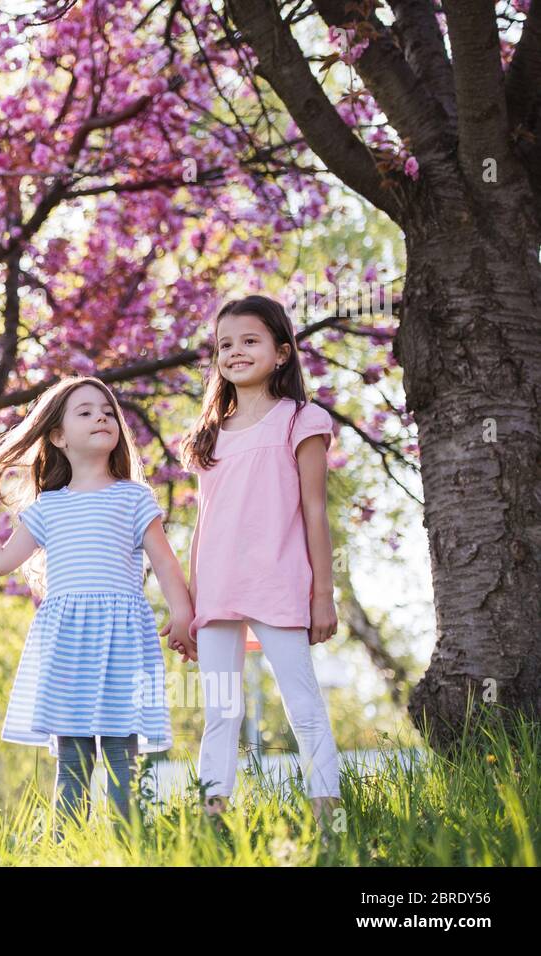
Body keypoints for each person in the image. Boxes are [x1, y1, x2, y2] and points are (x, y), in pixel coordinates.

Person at [0, 376, 195, 841]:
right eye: (85, 411)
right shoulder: (49, 507)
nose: (101, 416)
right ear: (59, 437)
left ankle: (128, 845)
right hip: (66, 646)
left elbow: (165, 563)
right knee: (74, 759)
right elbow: (1, 562)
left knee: (123, 757)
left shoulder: (133, 496)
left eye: (106, 410)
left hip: (123, 640)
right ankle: (68, 847)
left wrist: (182, 615)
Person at [174, 294, 343, 840]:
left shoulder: (301, 419)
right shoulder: (209, 436)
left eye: (250, 341)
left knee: (303, 705)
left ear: (282, 353)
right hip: (218, 590)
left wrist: (323, 595)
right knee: (220, 712)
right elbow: (203, 526)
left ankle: (330, 819)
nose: (236, 352)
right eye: (225, 344)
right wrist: (191, 606)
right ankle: (211, 822)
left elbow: (314, 510)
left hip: (279, 582)